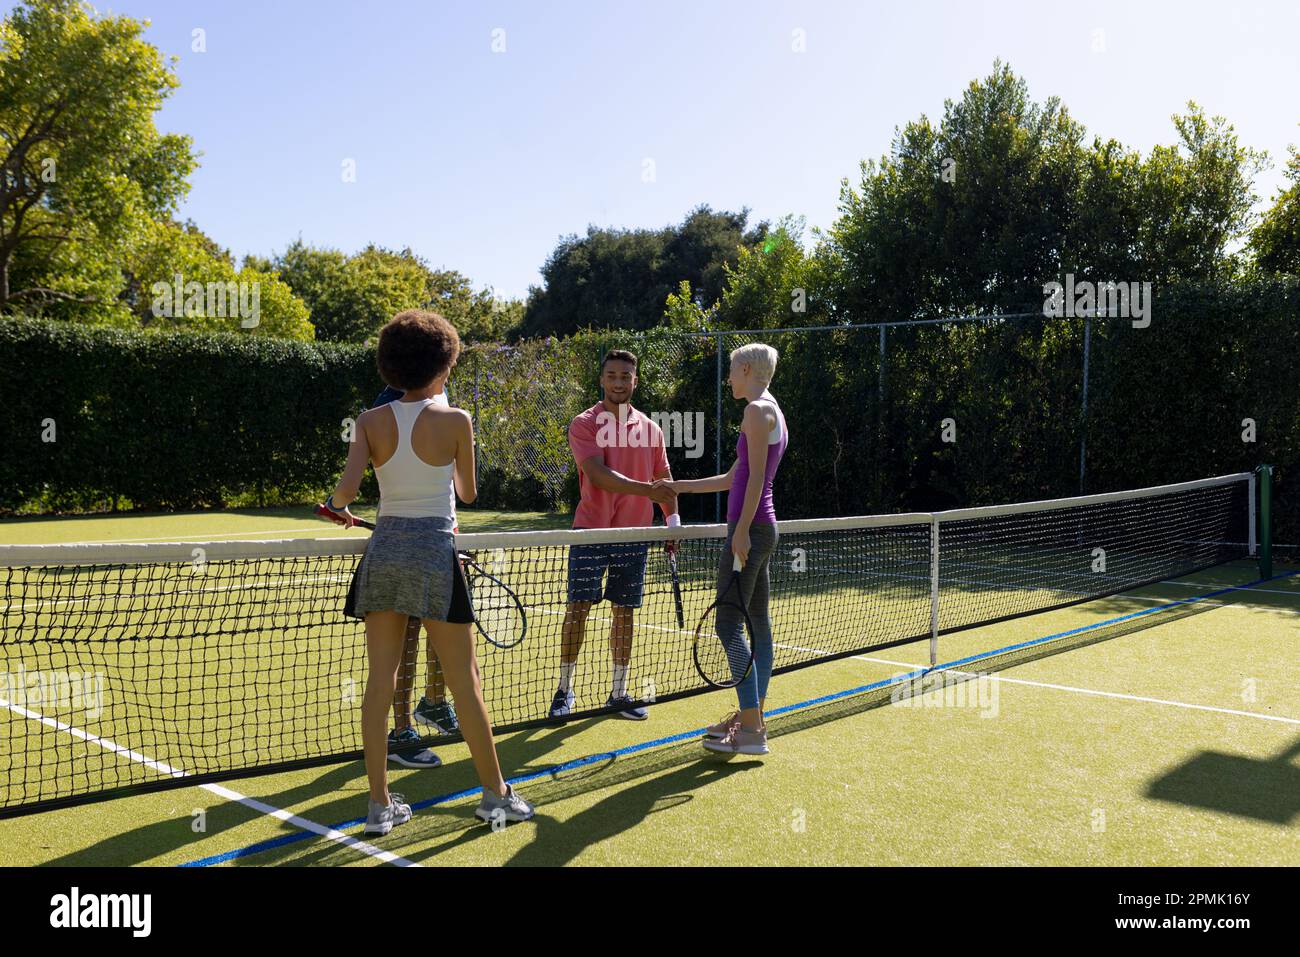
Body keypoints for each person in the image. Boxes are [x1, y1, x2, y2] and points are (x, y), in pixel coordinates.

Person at [330, 310, 533, 834]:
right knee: (465, 682)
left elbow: (346, 493)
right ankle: (496, 796)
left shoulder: (369, 420)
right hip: (433, 553)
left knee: (381, 681)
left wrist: (336, 505)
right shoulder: (457, 420)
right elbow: (466, 493)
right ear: (443, 364)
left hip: (385, 550)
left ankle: (379, 806)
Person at [654, 343, 786, 755]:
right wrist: (680, 487)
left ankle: (750, 730)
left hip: (750, 531)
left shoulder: (755, 411)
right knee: (758, 626)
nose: (728, 378)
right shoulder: (771, 410)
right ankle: (753, 718)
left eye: (731, 371)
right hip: (763, 530)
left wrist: (741, 531)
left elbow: (758, 479)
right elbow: (735, 476)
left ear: (746, 369)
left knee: (727, 625)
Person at [551, 349, 678, 721]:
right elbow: (598, 475)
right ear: (602, 380)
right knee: (579, 610)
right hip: (591, 531)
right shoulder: (584, 423)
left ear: (635, 381)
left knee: (624, 614)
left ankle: (619, 693)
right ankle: (563, 690)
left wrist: (672, 523)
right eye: (612, 376)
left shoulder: (651, 429)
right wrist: (649, 492)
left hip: (634, 535)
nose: (619, 382)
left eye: (626, 376)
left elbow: (665, 480)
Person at [361, 381, 460, 772]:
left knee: (443, 624)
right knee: (407, 635)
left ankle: (433, 703)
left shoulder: (442, 400)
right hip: (407, 539)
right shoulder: (389, 400)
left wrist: (452, 534)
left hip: (440, 535)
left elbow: (449, 484)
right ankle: (400, 732)